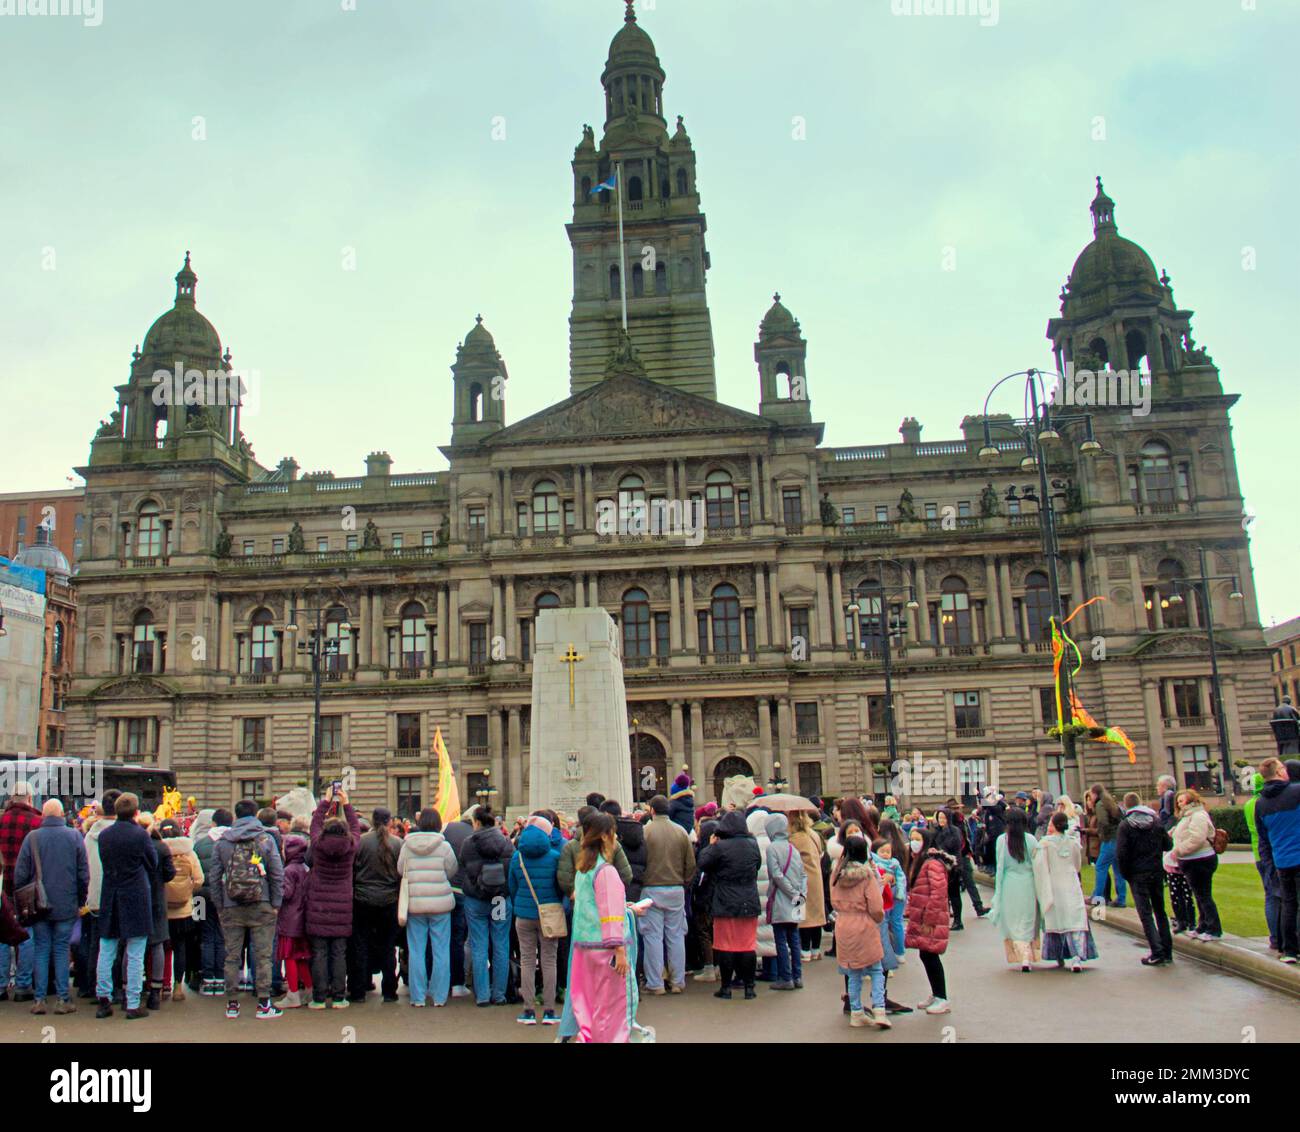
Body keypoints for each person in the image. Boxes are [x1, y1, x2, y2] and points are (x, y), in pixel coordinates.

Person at [568, 813, 641, 1042]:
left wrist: (625, 908)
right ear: (604, 836)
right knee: (613, 1008)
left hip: (584, 946)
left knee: (589, 1006)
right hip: (606, 950)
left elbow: (587, 904)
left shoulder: (583, 870)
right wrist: (618, 948)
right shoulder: (605, 871)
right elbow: (610, 912)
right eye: (613, 832)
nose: (616, 837)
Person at [210, 798, 284, 1020]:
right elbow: (277, 874)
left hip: (231, 905)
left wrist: (219, 905)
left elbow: (214, 878)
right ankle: (263, 1003)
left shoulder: (222, 842)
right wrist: (276, 903)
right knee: (263, 955)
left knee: (232, 956)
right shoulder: (266, 839)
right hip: (262, 903)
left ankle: (232, 1004)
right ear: (255, 815)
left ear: (236, 816)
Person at [13, 799, 88, 1014]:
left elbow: (19, 875)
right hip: (66, 903)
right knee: (61, 949)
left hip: (39, 906)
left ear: (44, 816)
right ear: (63, 814)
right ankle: (63, 999)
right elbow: (83, 874)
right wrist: (79, 900)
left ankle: (39, 1000)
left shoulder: (33, 838)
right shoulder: (74, 836)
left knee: (41, 950)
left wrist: (25, 899)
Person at [95, 793, 158, 1019]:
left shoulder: (104, 835)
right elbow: (153, 863)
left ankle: (103, 1000)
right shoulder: (140, 835)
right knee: (135, 952)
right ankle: (132, 1003)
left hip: (111, 893)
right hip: (135, 894)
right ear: (135, 811)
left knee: (107, 949)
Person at [698, 809, 762, 1000]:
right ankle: (749, 988)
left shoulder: (719, 847)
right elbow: (757, 865)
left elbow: (703, 863)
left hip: (725, 899)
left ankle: (726, 988)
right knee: (747, 945)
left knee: (726, 945)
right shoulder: (753, 844)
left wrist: (709, 846)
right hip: (748, 899)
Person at [399, 807, 460, 1007]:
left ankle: (418, 997)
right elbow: (452, 870)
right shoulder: (444, 846)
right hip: (440, 903)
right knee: (441, 950)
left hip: (415, 903)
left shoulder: (407, 846)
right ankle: (439, 996)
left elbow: (401, 870)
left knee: (416, 950)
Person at [306, 788, 361, 1008]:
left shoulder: (318, 845)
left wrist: (325, 800)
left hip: (318, 904)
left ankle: (319, 998)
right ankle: (339, 997)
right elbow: (356, 828)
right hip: (342, 905)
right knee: (339, 953)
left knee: (319, 952)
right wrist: (346, 804)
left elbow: (314, 825)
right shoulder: (350, 846)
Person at [830, 834, 889, 1028]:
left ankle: (856, 1011)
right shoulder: (866, 875)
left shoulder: (836, 874)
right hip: (864, 923)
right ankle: (879, 1009)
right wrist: (878, 919)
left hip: (843, 923)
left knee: (853, 971)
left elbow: (832, 900)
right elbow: (875, 906)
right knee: (876, 968)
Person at [639, 794, 696, 995]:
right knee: (676, 935)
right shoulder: (681, 831)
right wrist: (684, 881)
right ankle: (677, 981)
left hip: (651, 887)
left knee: (652, 936)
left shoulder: (645, 831)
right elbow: (691, 863)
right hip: (675, 888)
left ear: (652, 811)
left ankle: (656, 983)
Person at [508, 813, 561, 1023]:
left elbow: (512, 887)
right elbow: (560, 886)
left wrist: (519, 905)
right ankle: (549, 1011)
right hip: (549, 914)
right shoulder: (555, 856)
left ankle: (528, 1010)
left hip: (524, 914)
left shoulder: (517, 857)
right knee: (549, 961)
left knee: (527, 961)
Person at [460, 805, 515, 1007]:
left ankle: (482, 995)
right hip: (499, 899)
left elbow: (464, 865)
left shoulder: (468, 843)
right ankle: (499, 994)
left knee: (479, 945)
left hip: (476, 899)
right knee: (501, 945)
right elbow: (512, 868)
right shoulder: (506, 842)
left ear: (476, 822)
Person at [350, 806, 402, 1004]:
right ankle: (389, 991)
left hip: (362, 900)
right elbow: (401, 873)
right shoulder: (397, 843)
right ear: (390, 822)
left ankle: (358, 991)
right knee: (388, 947)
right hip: (389, 900)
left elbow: (353, 869)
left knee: (360, 945)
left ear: (372, 821)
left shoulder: (360, 842)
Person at [1116, 791, 1175, 965]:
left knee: (1146, 914)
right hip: (1155, 870)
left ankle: (1156, 951)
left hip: (1137, 873)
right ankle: (1167, 950)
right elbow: (1168, 844)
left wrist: (1126, 873)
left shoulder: (1125, 826)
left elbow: (1121, 854)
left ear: (1126, 805)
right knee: (1160, 911)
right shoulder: (1155, 822)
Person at [1034, 811, 1097, 971]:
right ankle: (1077, 957)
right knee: (1074, 916)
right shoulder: (1073, 842)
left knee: (1058, 918)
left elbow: (1041, 866)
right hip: (1071, 882)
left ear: (1054, 825)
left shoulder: (1045, 844)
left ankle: (1058, 954)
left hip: (1054, 882)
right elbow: (1077, 865)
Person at [0, 781, 43, 1001]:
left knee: (1, 935)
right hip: (28, 887)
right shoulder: (37, 822)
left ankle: (0, 985)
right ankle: (23, 986)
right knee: (26, 934)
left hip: (2, 885)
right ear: (29, 799)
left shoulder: (1, 820)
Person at [1254, 757, 1300, 963]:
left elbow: (1263, 837)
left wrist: (1270, 863)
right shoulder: (1295, 791)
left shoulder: (1260, 803)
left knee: (1289, 904)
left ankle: (1289, 950)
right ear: (1280, 771)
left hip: (1281, 859)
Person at [79, 790, 122, 1003]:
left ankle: (93, 986)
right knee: (119, 945)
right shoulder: (123, 833)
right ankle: (115, 988)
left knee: (96, 943)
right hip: (118, 896)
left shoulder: (89, 835)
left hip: (94, 896)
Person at [904, 827, 952, 1013]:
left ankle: (942, 997)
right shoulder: (920, 860)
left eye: (917, 839)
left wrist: (929, 920)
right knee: (926, 954)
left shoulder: (932, 863)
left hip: (930, 918)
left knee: (931, 955)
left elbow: (938, 894)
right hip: (923, 916)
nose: (913, 842)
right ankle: (937, 993)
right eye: (911, 838)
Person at [990, 807, 1040, 970]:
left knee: (1013, 920)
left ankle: (1021, 954)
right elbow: (1037, 865)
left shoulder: (1002, 840)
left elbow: (1000, 866)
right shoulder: (1031, 839)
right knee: (1027, 918)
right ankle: (1027, 956)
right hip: (1028, 883)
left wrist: (998, 890)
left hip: (1010, 884)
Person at [159, 817, 202, 1002]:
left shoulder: (159, 851)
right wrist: (187, 892)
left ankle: (162, 984)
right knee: (181, 948)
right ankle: (178, 986)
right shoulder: (189, 852)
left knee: (161, 947)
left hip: (163, 909)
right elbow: (199, 879)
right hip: (184, 910)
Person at [764, 812, 807, 991]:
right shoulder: (793, 848)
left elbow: (776, 874)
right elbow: (804, 874)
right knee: (794, 939)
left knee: (780, 939)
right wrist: (800, 894)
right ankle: (798, 976)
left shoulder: (772, 848)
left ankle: (785, 977)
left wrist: (790, 892)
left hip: (782, 899)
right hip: (797, 899)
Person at [1171, 789, 1222, 941]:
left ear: (1191, 801)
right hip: (1191, 860)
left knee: (1204, 895)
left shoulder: (1198, 815)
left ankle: (1214, 928)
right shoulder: (1188, 816)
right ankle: (1203, 925)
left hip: (1200, 860)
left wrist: (1178, 850)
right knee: (1199, 896)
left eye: (1182, 801)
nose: (1180, 804)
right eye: (1178, 801)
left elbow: (1197, 839)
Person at [139, 814, 177, 1011]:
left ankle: (133, 989)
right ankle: (156, 990)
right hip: (157, 899)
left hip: (136, 899)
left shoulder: (134, 845)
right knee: (157, 944)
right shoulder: (161, 847)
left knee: (134, 946)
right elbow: (170, 874)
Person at [192, 807, 231, 996]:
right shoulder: (234, 842)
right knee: (223, 937)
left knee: (207, 936)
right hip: (227, 896)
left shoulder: (200, 844)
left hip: (204, 895)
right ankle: (221, 978)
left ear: (213, 823)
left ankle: (208, 980)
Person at [1243, 770, 1282, 952]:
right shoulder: (1264, 803)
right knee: (1279, 897)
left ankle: (1274, 937)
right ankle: (1279, 936)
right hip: (1270, 853)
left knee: (1270, 896)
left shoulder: (1249, 804)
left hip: (1258, 853)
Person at [274, 831, 312, 1008]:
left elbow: (286, 894)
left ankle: (293, 993)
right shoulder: (306, 868)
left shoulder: (288, 870)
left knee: (289, 957)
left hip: (289, 919)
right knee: (302, 957)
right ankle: (309, 990)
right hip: (303, 918)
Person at [788, 810, 827, 962]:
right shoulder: (813, 834)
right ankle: (816, 950)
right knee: (816, 915)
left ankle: (805, 950)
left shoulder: (794, 838)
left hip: (800, 879)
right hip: (816, 877)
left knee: (803, 917)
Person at [1088, 784, 1127, 908]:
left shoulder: (1100, 805)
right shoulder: (1110, 802)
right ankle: (1121, 898)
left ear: (1095, 794)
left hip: (1109, 839)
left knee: (1100, 867)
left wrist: (1100, 834)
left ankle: (1097, 897)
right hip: (1119, 839)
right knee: (1118, 869)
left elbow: (1103, 822)